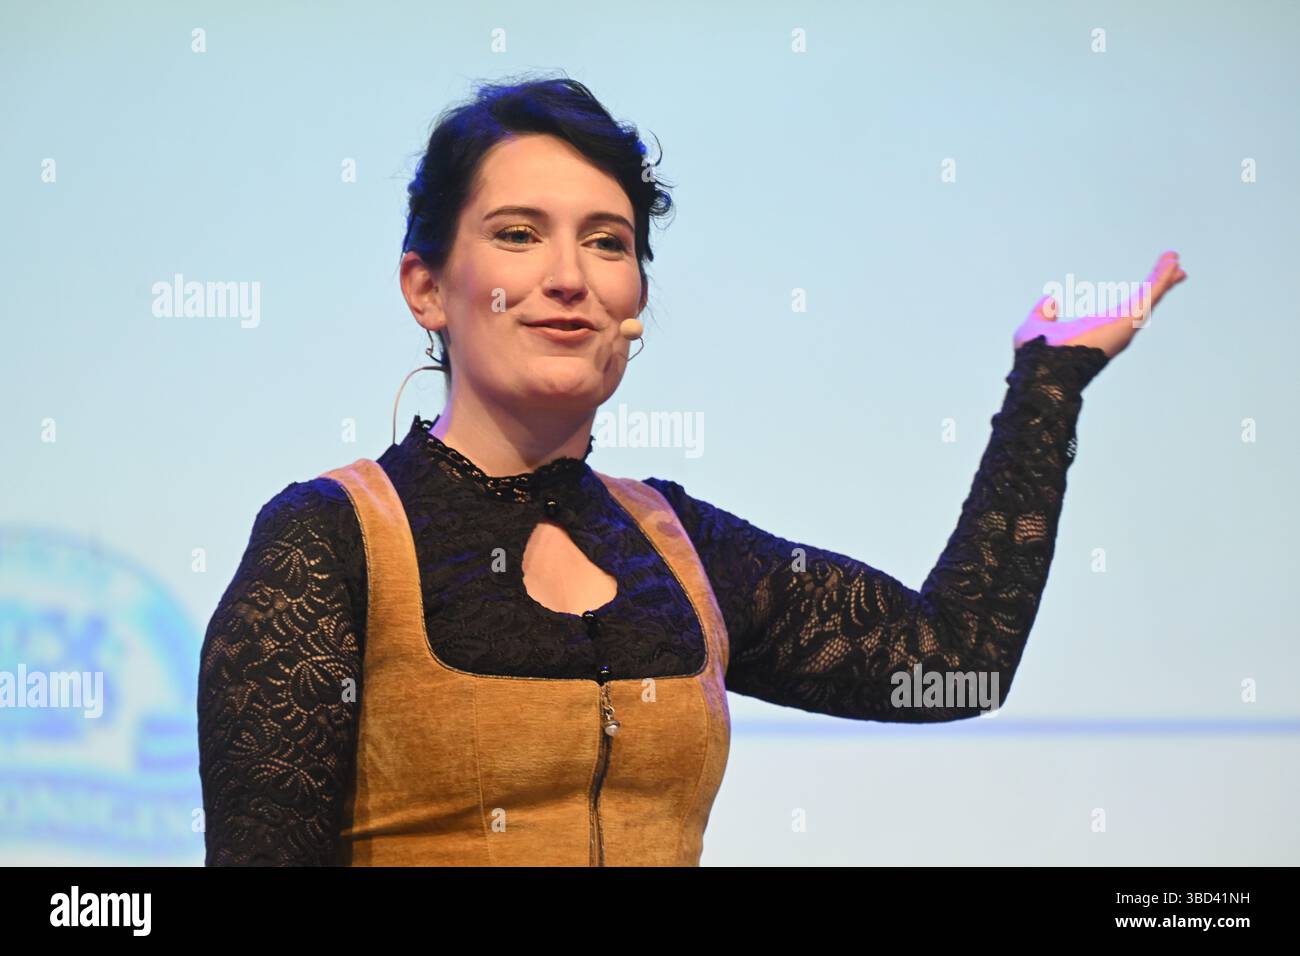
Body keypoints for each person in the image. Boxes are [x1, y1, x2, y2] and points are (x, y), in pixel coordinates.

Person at [195, 74, 1187, 867]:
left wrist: (1047, 384)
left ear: (634, 298)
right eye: (517, 234)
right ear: (427, 286)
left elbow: (953, 658)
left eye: (607, 242)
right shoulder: (329, 540)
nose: (568, 275)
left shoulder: (677, 546)